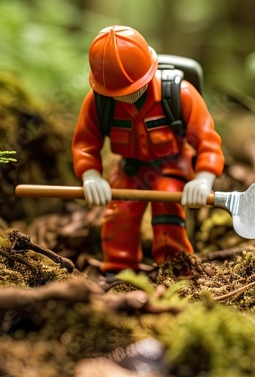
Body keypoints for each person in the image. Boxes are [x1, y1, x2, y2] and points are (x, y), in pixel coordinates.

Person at [71, 26, 225, 273]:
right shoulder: (98, 101)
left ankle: (175, 269)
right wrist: (90, 175)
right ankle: (119, 271)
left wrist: (203, 178)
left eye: (135, 87)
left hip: (171, 165)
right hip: (130, 169)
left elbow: (208, 140)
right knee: (120, 212)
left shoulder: (180, 94)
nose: (130, 95)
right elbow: (85, 142)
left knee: (168, 207)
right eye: (121, 93)